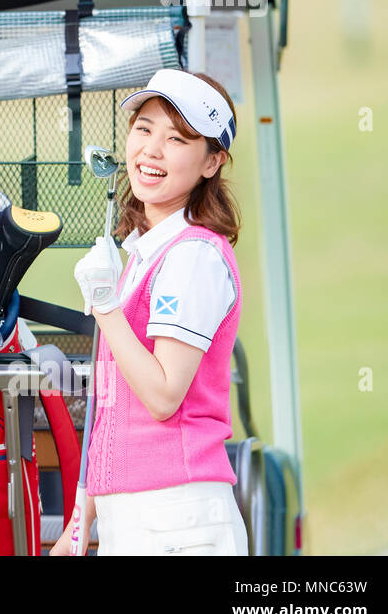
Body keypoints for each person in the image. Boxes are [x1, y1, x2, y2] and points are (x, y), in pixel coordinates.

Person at [52, 68, 248, 556]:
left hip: (179, 519)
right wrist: (80, 522)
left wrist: (106, 307)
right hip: (137, 518)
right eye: (144, 128)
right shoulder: (143, 253)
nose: (152, 150)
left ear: (212, 162)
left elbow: (163, 396)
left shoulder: (194, 255)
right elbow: (110, 408)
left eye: (177, 138)